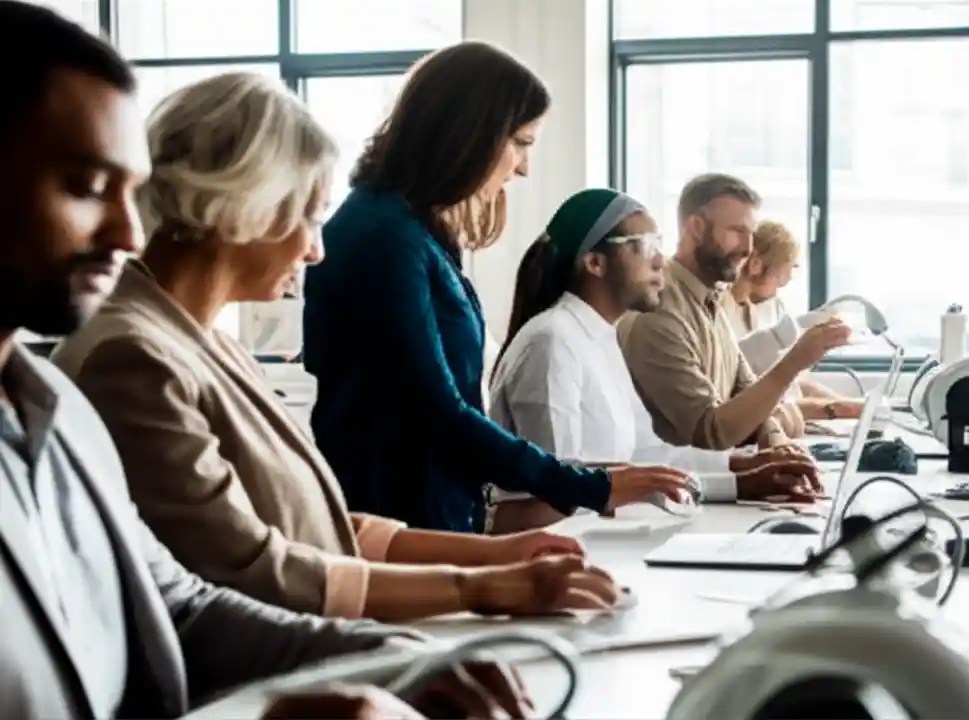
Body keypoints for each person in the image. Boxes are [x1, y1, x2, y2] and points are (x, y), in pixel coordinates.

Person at [0, 4, 525, 717]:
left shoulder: (55, 410)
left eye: (128, 191)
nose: (128, 231)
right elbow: (247, 567)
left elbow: (182, 606)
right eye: (89, 188)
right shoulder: (122, 356)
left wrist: (405, 661)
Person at [52, 71, 620, 622]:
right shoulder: (136, 357)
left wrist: (496, 555)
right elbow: (250, 570)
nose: (317, 251)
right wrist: (479, 586)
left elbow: (315, 525)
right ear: (240, 205)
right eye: (309, 216)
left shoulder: (202, 341)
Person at [303, 42, 689, 533]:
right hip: (401, 520)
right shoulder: (385, 237)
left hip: (431, 510)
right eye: (522, 143)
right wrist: (591, 487)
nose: (524, 167)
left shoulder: (414, 230)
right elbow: (437, 412)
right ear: (470, 133)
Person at [485, 189, 823, 531]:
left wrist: (743, 472)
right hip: (554, 554)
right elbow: (559, 494)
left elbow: (648, 454)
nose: (661, 260)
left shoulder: (600, 338)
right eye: (645, 246)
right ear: (595, 263)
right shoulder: (552, 343)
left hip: (599, 539)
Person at [617, 173, 852, 450]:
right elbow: (711, 432)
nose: (748, 248)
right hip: (688, 484)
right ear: (696, 228)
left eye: (751, 234)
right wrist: (795, 360)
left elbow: (749, 393)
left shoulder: (710, 300)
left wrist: (776, 443)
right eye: (737, 232)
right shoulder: (660, 310)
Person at [724, 220, 864, 421]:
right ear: (755, 264)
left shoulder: (761, 309)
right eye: (778, 280)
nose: (778, 290)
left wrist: (860, 408)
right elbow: (754, 394)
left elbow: (793, 384)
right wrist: (837, 408)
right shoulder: (721, 314)